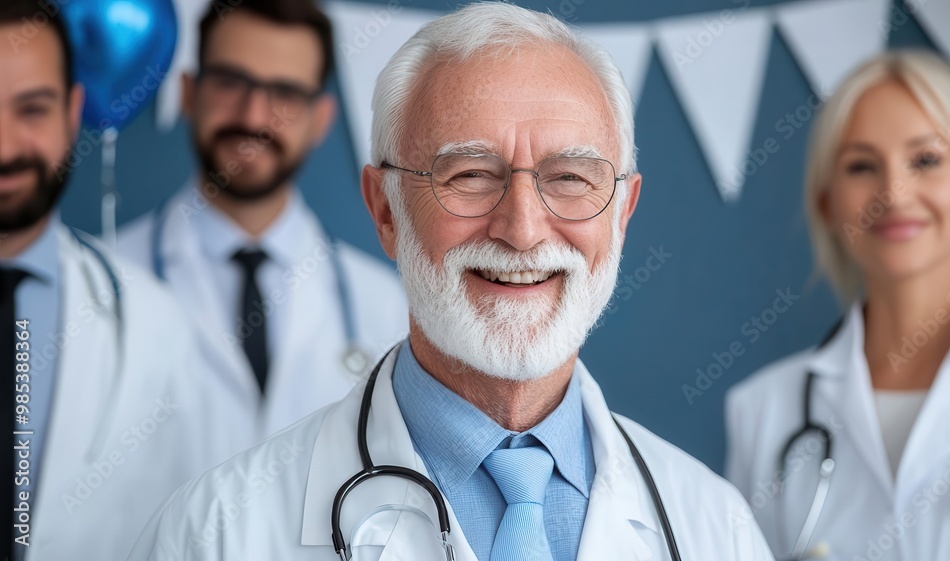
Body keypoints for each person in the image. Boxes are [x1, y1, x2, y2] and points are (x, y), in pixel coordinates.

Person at [127, 3, 773, 560]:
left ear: (623, 213)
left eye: (571, 178)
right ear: (386, 210)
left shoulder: (716, 527)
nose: (522, 229)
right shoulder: (217, 531)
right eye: (468, 174)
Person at [725, 50, 950, 560]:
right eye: (861, 166)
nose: (893, 194)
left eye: (926, 160)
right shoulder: (761, 409)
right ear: (828, 202)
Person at [116, 0, 408, 449]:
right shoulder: (105, 281)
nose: (253, 116)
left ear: (320, 120)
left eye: (286, 94)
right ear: (190, 92)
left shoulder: (384, 306)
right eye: (232, 82)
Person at [0, 1, 219, 558]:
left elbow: (188, 538)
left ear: (73, 112)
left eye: (32, 109)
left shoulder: (154, 325)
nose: (4, 146)